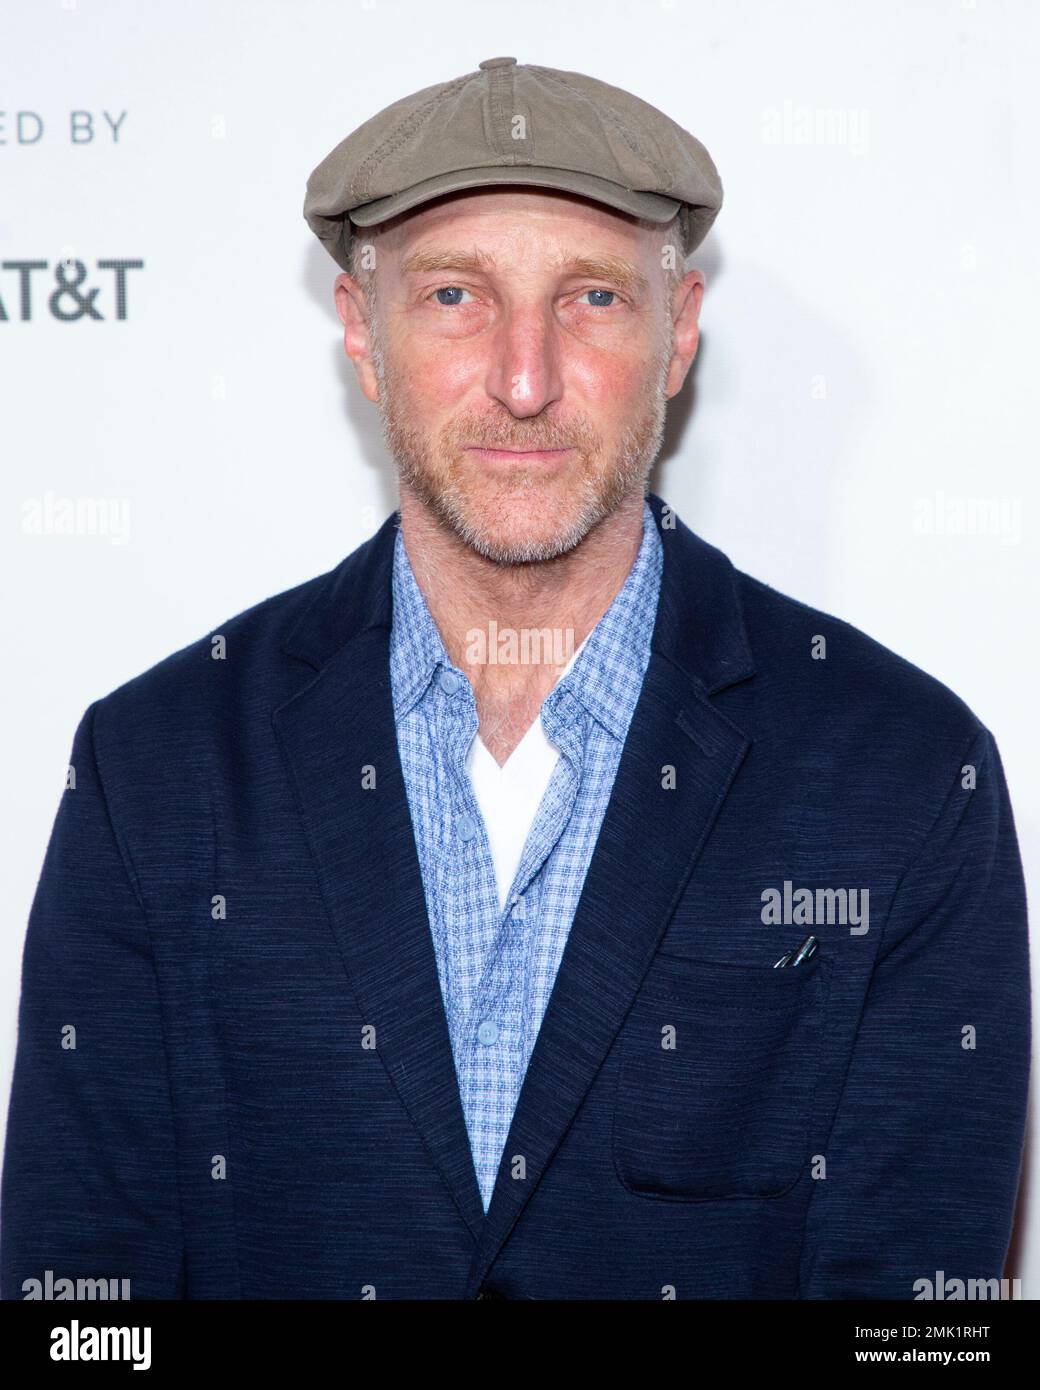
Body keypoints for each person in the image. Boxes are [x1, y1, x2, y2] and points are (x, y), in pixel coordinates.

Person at [1, 56, 1029, 1301]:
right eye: (453, 296)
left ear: (678, 333)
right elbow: (76, 1316)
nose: (524, 379)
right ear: (360, 334)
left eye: (591, 297)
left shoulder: (906, 779)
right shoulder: (154, 770)